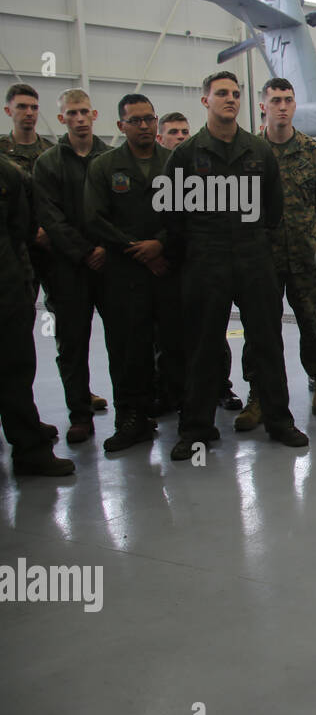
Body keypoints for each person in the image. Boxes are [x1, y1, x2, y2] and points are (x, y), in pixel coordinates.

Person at [163, 70, 307, 461]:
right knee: (202, 347)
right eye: (221, 93)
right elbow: (171, 218)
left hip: (252, 257)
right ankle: (196, 428)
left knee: (267, 343)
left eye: (235, 94)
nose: (230, 99)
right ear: (204, 99)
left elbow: (273, 211)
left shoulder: (258, 153)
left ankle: (279, 420)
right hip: (204, 261)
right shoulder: (186, 155)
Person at [233, 78, 316, 430]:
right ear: (263, 106)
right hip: (262, 258)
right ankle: (258, 395)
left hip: (304, 255)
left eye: (288, 100)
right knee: (259, 328)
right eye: (275, 100)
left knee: (314, 324)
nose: (282, 107)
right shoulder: (248, 153)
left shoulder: (313, 152)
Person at [82, 94, 182, 453]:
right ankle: (132, 419)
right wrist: (139, 250)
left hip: (167, 272)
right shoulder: (105, 167)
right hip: (124, 276)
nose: (143, 126)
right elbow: (94, 218)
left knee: (175, 346)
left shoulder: (174, 163)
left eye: (149, 119)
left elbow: (189, 213)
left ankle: (184, 416)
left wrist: (160, 245)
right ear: (121, 125)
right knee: (128, 350)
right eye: (135, 120)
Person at [32, 89, 112, 444]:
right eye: (72, 113)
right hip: (67, 269)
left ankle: (131, 411)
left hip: (110, 265)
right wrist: (83, 252)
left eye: (84, 112)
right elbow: (49, 216)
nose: (79, 118)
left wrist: (106, 248)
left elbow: (123, 211)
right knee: (73, 345)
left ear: (94, 115)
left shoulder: (111, 159)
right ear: (62, 117)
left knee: (125, 342)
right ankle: (79, 414)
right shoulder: (48, 163)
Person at [158, 111, 242, 413]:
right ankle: (172, 392)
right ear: (161, 137)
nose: (180, 137)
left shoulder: (199, 165)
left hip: (203, 262)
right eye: (173, 132)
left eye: (184, 131)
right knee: (167, 334)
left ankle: (221, 388)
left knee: (211, 332)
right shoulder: (156, 169)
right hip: (165, 262)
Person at [1, 156, 73, 477]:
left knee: (16, 368)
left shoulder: (7, 173)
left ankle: (29, 447)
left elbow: (23, 228)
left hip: (6, 285)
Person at [0, 84, 54, 305]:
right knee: (18, 310)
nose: (29, 112)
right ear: (8, 111)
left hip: (50, 243)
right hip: (15, 248)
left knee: (64, 311)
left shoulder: (52, 151)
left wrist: (48, 230)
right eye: (22, 107)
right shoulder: (2, 153)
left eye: (34, 107)